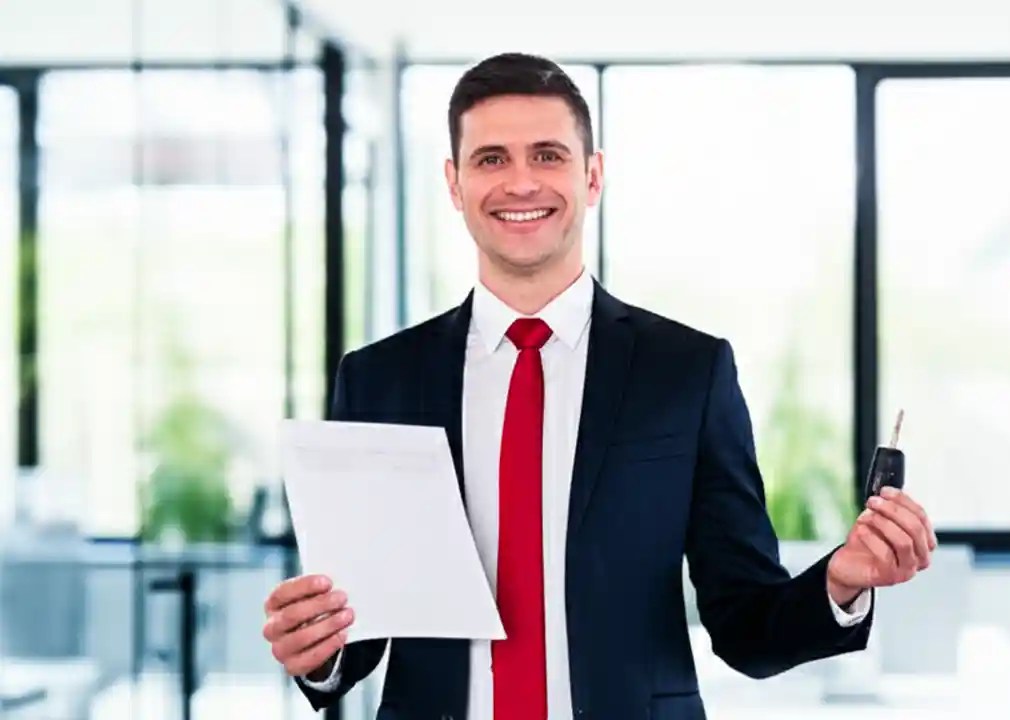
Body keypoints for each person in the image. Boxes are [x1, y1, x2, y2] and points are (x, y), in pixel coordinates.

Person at [261, 52, 937, 720]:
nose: (521, 183)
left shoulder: (688, 373)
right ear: (454, 182)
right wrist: (318, 651)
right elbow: (365, 619)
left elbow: (745, 624)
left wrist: (841, 582)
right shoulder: (380, 380)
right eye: (491, 159)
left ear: (593, 176)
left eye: (548, 155)